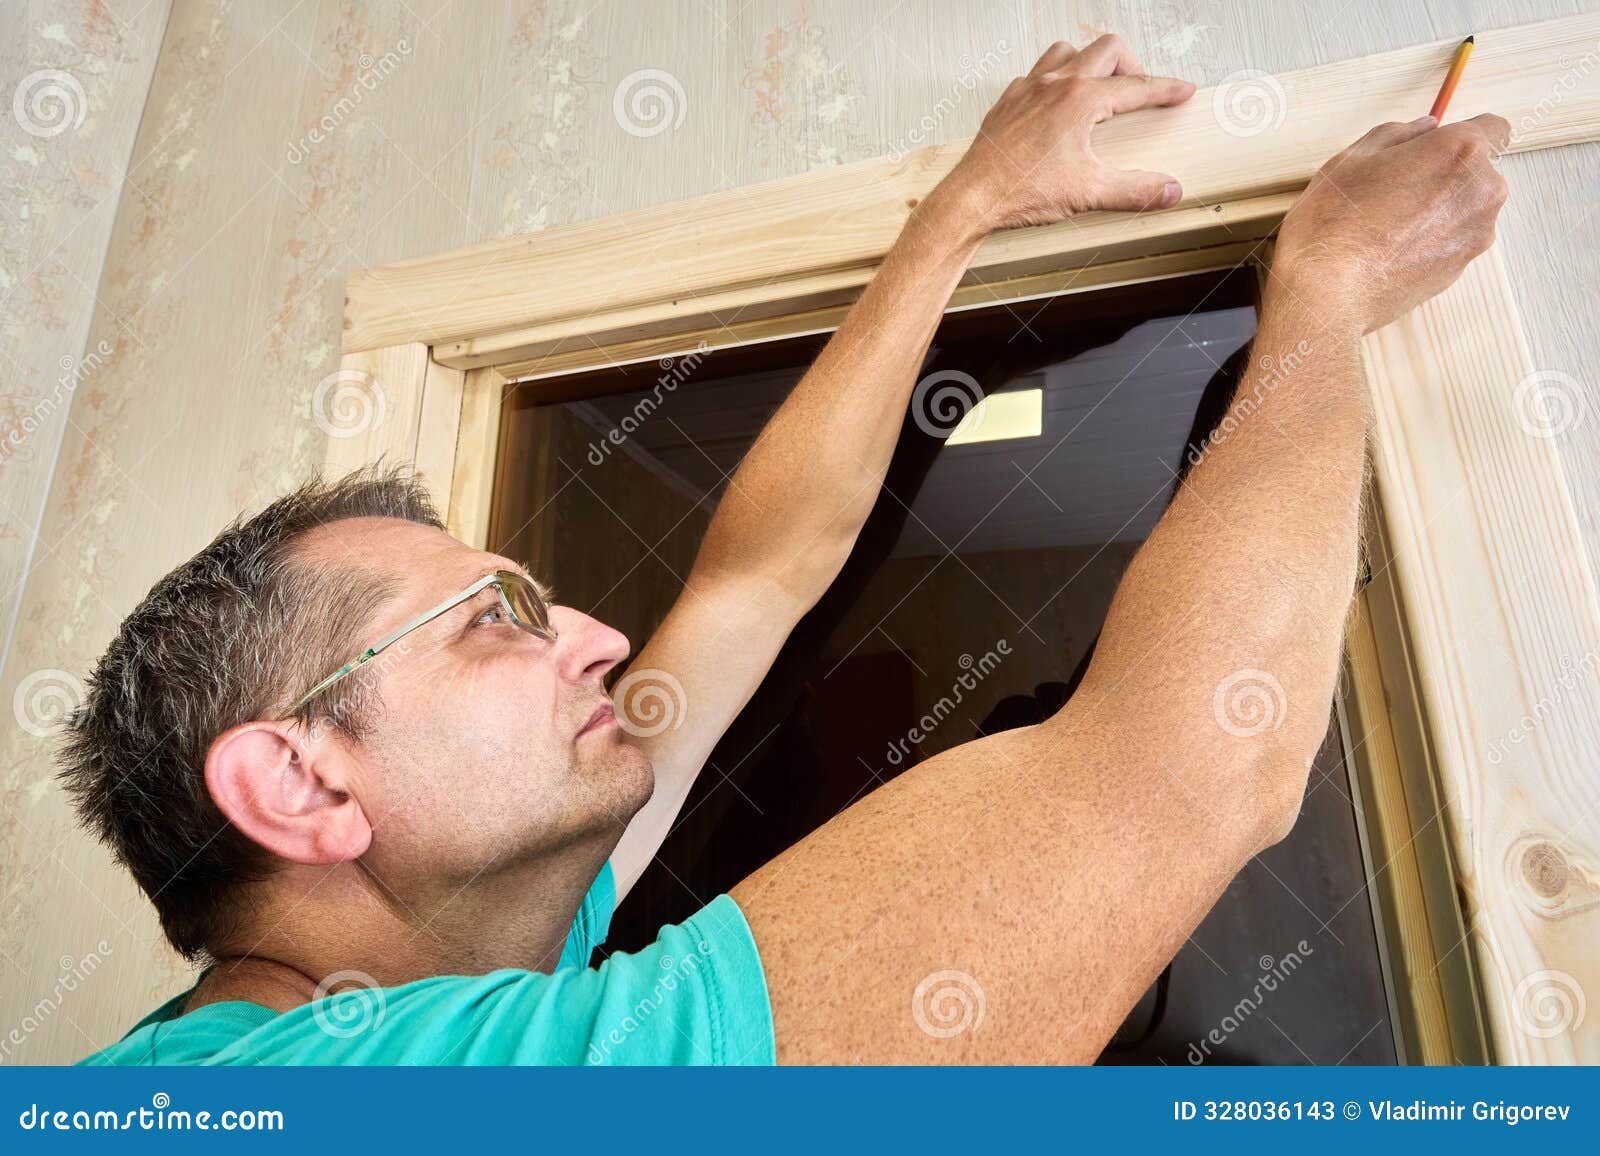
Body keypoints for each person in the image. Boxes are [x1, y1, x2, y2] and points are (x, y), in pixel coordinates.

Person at [64, 34, 1508, 1065]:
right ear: (303, 783)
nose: (600, 637)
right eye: (496, 621)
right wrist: (1331, 291)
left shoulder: (430, 974)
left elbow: (755, 578)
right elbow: (1190, 767)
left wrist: (967, 208)